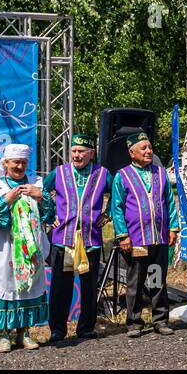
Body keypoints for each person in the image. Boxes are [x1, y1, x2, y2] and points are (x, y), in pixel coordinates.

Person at [0, 144, 50, 353]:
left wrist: (41, 196)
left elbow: (50, 215)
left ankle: (24, 332)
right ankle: (4, 335)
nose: (19, 166)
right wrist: (6, 200)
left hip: (31, 248)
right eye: (15, 162)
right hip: (6, 247)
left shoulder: (36, 184)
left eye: (23, 162)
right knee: (8, 284)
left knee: (27, 288)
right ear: (5, 163)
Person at [109, 130, 180, 338]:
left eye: (149, 147)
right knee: (136, 282)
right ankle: (134, 322)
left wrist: (173, 228)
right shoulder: (122, 176)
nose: (149, 151)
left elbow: (169, 202)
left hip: (158, 237)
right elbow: (117, 207)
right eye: (144, 148)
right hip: (135, 240)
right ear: (132, 153)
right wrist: (123, 235)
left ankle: (160, 320)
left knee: (157, 279)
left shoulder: (161, 173)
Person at [42, 133, 111, 344]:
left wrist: (107, 214)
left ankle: (86, 327)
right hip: (63, 237)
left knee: (89, 286)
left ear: (91, 153)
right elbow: (42, 192)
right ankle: (57, 329)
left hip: (91, 238)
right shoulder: (59, 173)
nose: (76, 155)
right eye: (73, 151)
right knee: (60, 286)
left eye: (81, 151)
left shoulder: (103, 174)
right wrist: (49, 216)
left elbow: (119, 195)